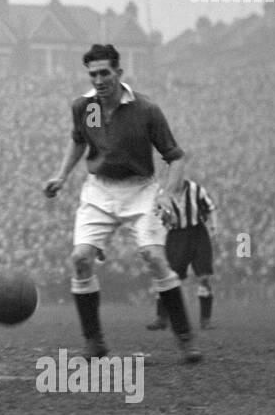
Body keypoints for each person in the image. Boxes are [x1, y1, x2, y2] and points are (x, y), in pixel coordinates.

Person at [43, 44, 201, 363]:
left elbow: (176, 158)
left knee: (154, 257)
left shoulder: (146, 110)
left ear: (119, 73)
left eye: (104, 73)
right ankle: (94, 341)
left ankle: (185, 339)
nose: (99, 80)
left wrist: (168, 195)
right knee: (80, 259)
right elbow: (78, 140)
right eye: (93, 74)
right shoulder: (85, 107)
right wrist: (60, 176)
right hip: (99, 191)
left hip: (141, 190)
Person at [147, 177, 217, 331]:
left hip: (198, 233)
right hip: (176, 235)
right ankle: (162, 318)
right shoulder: (163, 194)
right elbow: (157, 216)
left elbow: (210, 208)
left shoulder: (196, 190)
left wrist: (213, 228)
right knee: (168, 276)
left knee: (204, 277)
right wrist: (163, 219)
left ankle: (205, 320)